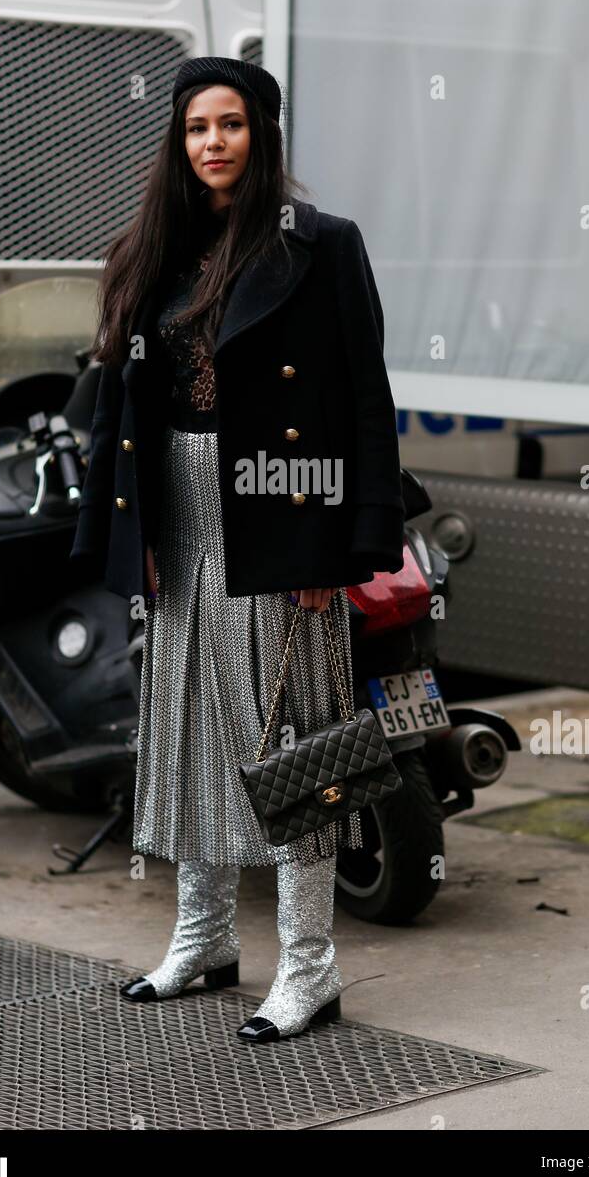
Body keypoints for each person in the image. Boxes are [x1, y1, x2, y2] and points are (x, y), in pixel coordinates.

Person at [70, 55, 404, 1042]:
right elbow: (119, 411)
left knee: (301, 748)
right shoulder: (152, 250)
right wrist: (129, 532)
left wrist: (339, 550)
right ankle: (204, 937)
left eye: (230, 124)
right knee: (185, 735)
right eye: (193, 129)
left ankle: (310, 967)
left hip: (278, 517)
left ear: (263, 133)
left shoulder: (320, 246)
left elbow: (363, 406)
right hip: (179, 512)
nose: (211, 143)